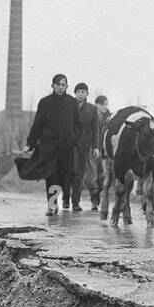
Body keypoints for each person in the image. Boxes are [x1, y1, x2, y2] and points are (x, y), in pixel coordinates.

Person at [23, 74, 81, 215]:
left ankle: (58, 199)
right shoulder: (45, 102)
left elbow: (77, 125)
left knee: (63, 176)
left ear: (66, 86)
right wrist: (30, 143)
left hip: (66, 147)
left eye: (64, 85)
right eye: (58, 84)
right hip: (49, 146)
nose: (61, 87)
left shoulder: (72, 102)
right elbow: (38, 124)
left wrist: (74, 138)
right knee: (51, 175)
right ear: (53, 86)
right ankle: (52, 205)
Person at [70, 82, 101, 213]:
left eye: (83, 92)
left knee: (80, 172)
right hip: (69, 144)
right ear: (75, 93)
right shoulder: (69, 106)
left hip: (85, 145)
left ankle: (75, 202)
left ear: (87, 94)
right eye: (78, 92)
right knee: (68, 172)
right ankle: (66, 199)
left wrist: (95, 146)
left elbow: (96, 129)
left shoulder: (92, 109)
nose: (80, 94)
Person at [92, 94, 113, 218]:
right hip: (93, 148)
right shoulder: (92, 115)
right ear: (97, 105)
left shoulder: (109, 118)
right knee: (92, 175)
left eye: (106, 104)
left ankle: (97, 201)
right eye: (103, 104)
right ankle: (94, 199)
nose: (105, 107)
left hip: (103, 150)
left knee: (101, 175)